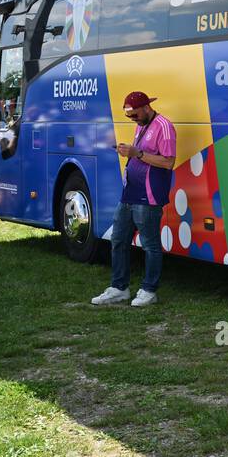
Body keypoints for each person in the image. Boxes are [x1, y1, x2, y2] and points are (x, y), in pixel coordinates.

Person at [91, 91, 177, 307]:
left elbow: (168, 162)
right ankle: (119, 288)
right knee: (118, 240)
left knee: (150, 245)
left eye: (135, 114)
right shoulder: (142, 124)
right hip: (129, 194)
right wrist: (129, 152)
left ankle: (149, 290)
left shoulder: (164, 126)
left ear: (146, 107)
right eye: (130, 116)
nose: (133, 119)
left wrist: (136, 154)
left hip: (148, 196)